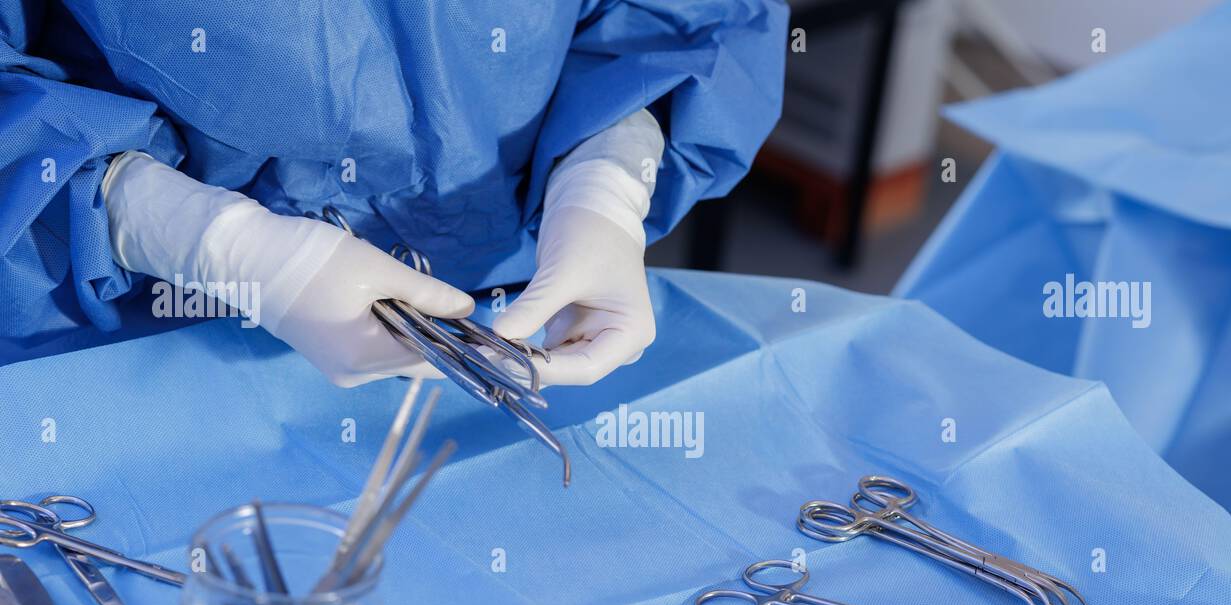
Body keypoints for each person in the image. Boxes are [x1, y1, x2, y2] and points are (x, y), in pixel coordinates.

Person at [0, 1, 788, 384]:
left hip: (496, 314)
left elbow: (685, 19)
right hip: (127, 330)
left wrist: (606, 179)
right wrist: (204, 240)